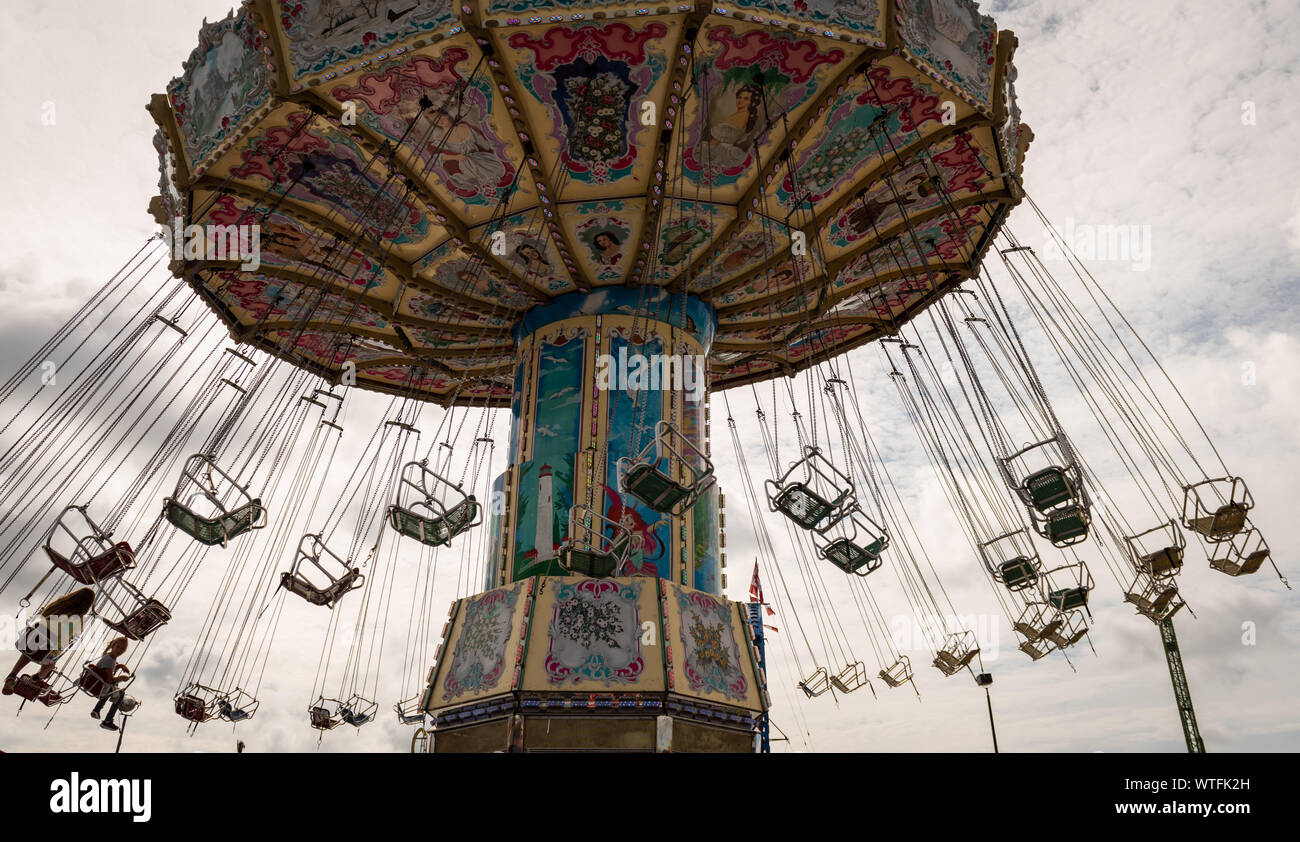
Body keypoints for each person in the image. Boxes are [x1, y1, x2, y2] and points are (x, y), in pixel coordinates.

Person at [4, 587, 95, 701]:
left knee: (30, 651)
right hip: (47, 648)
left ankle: (12, 675)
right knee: (51, 662)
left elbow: (42, 614)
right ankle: (36, 678)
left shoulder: (59, 603)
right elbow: (67, 636)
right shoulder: (77, 619)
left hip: (29, 639)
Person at [88, 637, 132, 731]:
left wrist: (120, 666)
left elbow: (108, 672)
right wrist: (122, 678)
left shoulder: (109, 657)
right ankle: (107, 720)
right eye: (118, 647)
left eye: (122, 649)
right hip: (98, 687)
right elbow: (110, 680)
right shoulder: (110, 660)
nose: (120, 650)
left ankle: (97, 710)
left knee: (112, 689)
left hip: (98, 683)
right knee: (121, 693)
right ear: (113, 646)